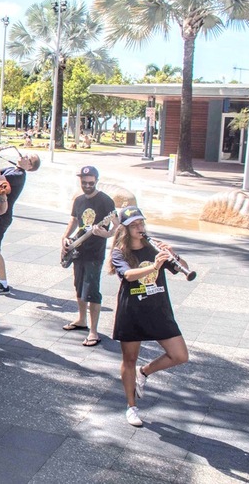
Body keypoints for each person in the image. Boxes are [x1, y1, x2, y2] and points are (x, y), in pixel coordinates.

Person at [108, 206, 189, 427]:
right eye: (134, 224)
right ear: (124, 228)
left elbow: (185, 268)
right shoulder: (119, 252)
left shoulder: (155, 247)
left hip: (158, 309)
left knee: (180, 355)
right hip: (132, 311)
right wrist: (154, 266)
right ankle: (131, 406)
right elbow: (128, 275)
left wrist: (173, 255)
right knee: (129, 359)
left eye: (141, 223)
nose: (139, 228)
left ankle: (143, 372)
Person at [61, 166, 117, 347]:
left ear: (97, 181)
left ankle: (94, 331)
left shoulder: (106, 201)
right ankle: (81, 319)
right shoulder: (78, 200)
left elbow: (117, 225)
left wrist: (106, 234)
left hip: (95, 252)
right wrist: (65, 237)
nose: (87, 185)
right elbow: (74, 220)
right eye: (84, 182)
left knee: (91, 289)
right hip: (78, 249)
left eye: (90, 183)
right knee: (78, 285)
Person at [0, 146, 41, 294]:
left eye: (28, 158)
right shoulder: (11, 169)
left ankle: (4, 285)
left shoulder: (18, 175)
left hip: (0, 217)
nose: (23, 156)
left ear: (29, 166)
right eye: (25, 155)